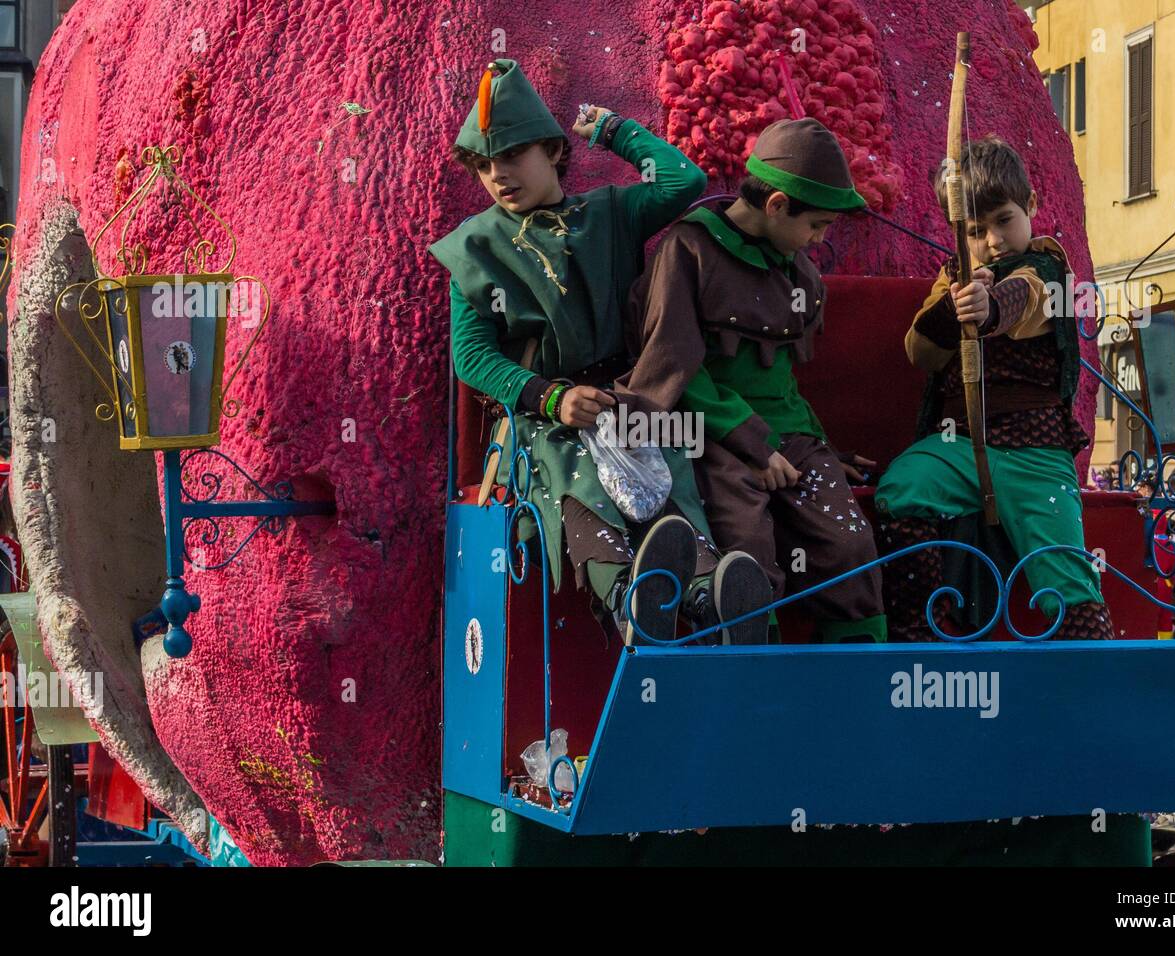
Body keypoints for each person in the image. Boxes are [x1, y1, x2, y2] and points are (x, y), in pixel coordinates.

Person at [429, 59, 772, 645]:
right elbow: (473, 358)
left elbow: (681, 183)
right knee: (574, 474)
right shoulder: (475, 249)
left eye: (513, 155)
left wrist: (615, 131)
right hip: (542, 417)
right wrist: (550, 397)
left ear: (553, 150)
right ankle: (627, 599)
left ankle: (707, 595)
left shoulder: (611, 213)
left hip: (629, 399)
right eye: (485, 165)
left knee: (667, 463)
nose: (498, 175)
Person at [621, 118, 887, 644]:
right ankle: (748, 670)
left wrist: (825, 449)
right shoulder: (689, 250)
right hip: (707, 431)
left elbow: (786, 385)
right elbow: (670, 367)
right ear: (777, 205)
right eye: (816, 226)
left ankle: (854, 686)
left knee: (849, 542)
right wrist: (752, 443)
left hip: (788, 435)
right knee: (745, 542)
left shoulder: (797, 270)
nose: (819, 239)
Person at [874, 135, 1112, 641]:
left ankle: (1093, 673)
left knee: (1066, 575)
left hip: (1036, 454)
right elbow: (920, 350)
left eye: (1004, 219)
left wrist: (985, 306)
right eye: (977, 230)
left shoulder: (1048, 269)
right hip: (959, 445)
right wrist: (951, 308)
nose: (995, 240)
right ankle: (922, 630)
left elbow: (1023, 301)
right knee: (903, 488)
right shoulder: (953, 276)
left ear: (1029, 206)